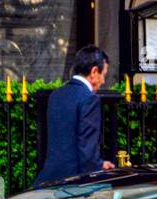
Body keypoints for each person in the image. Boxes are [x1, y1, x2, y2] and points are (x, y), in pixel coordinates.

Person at [34, 45, 115, 186]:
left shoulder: (56, 94)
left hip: (49, 179)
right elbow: (87, 148)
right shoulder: (89, 98)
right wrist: (94, 179)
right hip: (74, 183)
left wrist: (99, 163)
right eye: (104, 75)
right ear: (94, 71)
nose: (103, 81)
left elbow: (64, 142)